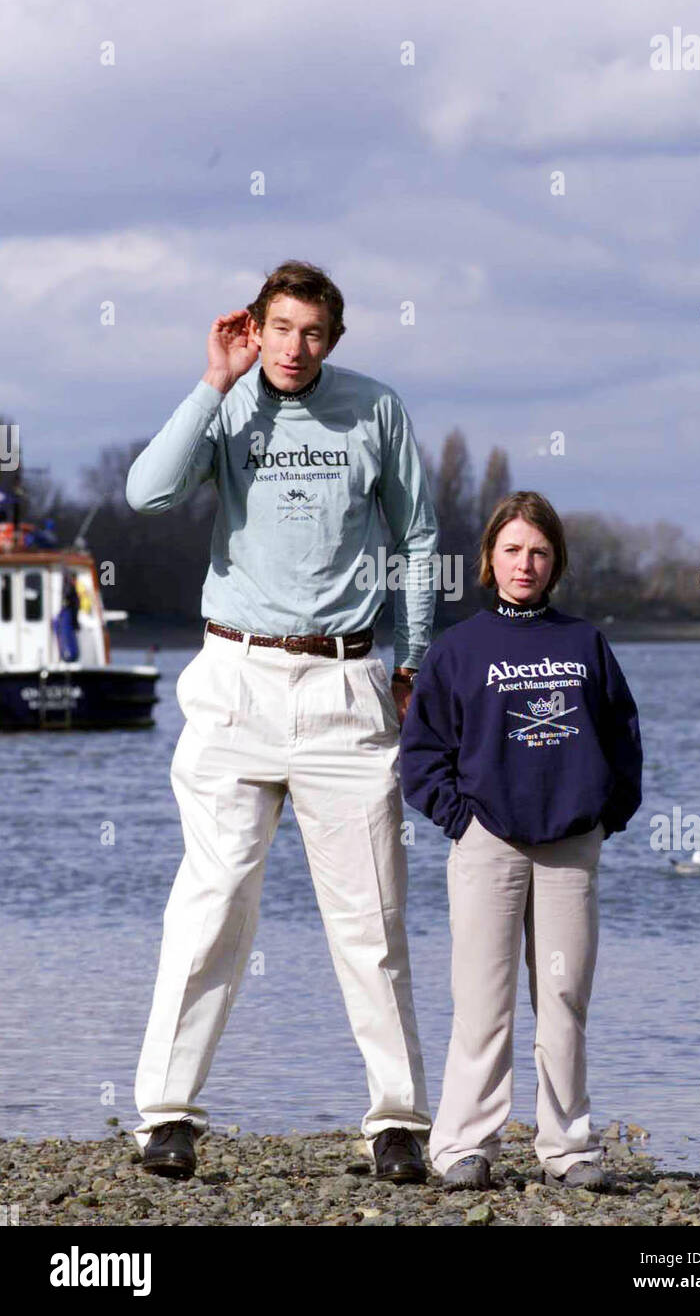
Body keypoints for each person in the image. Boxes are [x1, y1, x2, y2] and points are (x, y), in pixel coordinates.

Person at [125, 260, 438, 1183]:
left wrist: (415, 656)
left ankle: (396, 1123)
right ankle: (167, 1117)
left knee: (370, 917)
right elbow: (147, 492)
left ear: (332, 340)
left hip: (347, 684)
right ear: (254, 327)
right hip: (235, 679)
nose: (294, 347)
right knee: (214, 900)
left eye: (312, 332)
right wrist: (212, 380)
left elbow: (419, 537)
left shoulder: (375, 409)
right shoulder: (226, 403)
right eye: (280, 327)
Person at [399, 491, 642, 1191]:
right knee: (484, 1000)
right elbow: (421, 755)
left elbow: (624, 738)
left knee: (563, 1000)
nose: (524, 563)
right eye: (512, 550)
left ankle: (568, 1148)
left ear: (555, 561)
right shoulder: (459, 649)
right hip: (488, 847)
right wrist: (461, 820)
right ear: (489, 560)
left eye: (538, 551)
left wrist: (603, 815)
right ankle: (461, 1147)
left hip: (570, 848)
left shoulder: (584, 643)